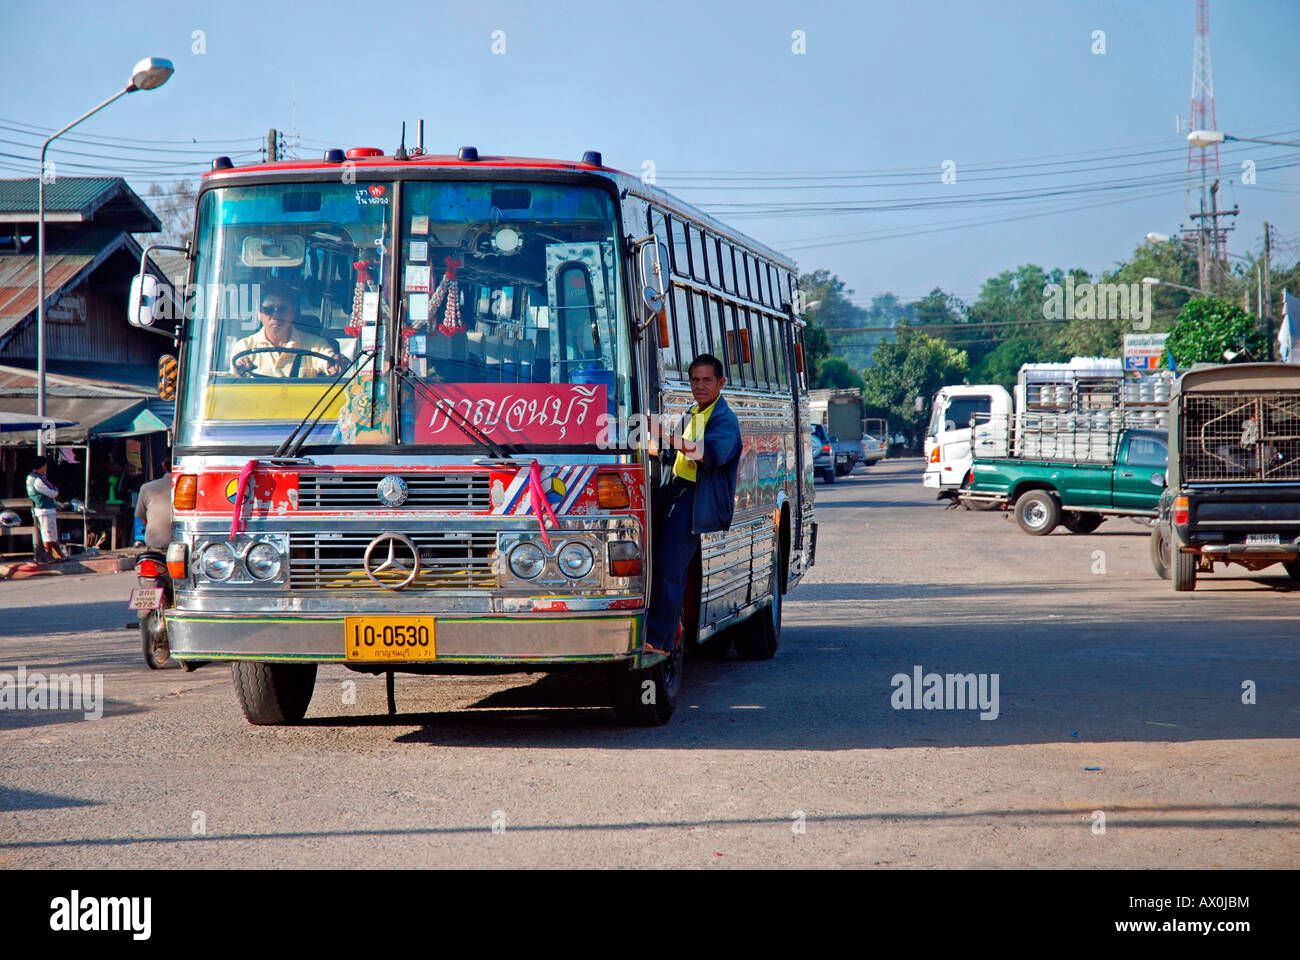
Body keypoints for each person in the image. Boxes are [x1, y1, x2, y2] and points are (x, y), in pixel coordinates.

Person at [645, 354, 742, 655]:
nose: (700, 386)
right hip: (675, 493)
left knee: (670, 568)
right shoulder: (692, 411)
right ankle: (667, 626)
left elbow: (708, 455)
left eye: (707, 380)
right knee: (657, 563)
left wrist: (666, 436)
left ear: (721, 383)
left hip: (694, 499)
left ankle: (658, 643)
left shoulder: (725, 419)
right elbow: (675, 454)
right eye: (695, 380)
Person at [231, 282, 342, 378]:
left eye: (282, 309)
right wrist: (239, 373)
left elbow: (328, 359)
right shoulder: (243, 348)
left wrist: (334, 363)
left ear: (292, 312)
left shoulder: (315, 345)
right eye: (268, 310)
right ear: (259, 314)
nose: (275, 316)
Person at [26, 456, 66, 562]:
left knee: (51, 532)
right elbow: (53, 492)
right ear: (42, 466)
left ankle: (57, 554)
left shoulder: (33, 477)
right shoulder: (37, 479)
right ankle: (49, 555)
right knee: (48, 533)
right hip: (44, 509)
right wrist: (54, 491)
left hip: (45, 509)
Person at [134, 465, 173, 550]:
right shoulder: (191, 487)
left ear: (164, 466)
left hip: (154, 545)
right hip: (181, 547)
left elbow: (143, 520)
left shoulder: (146, 487)